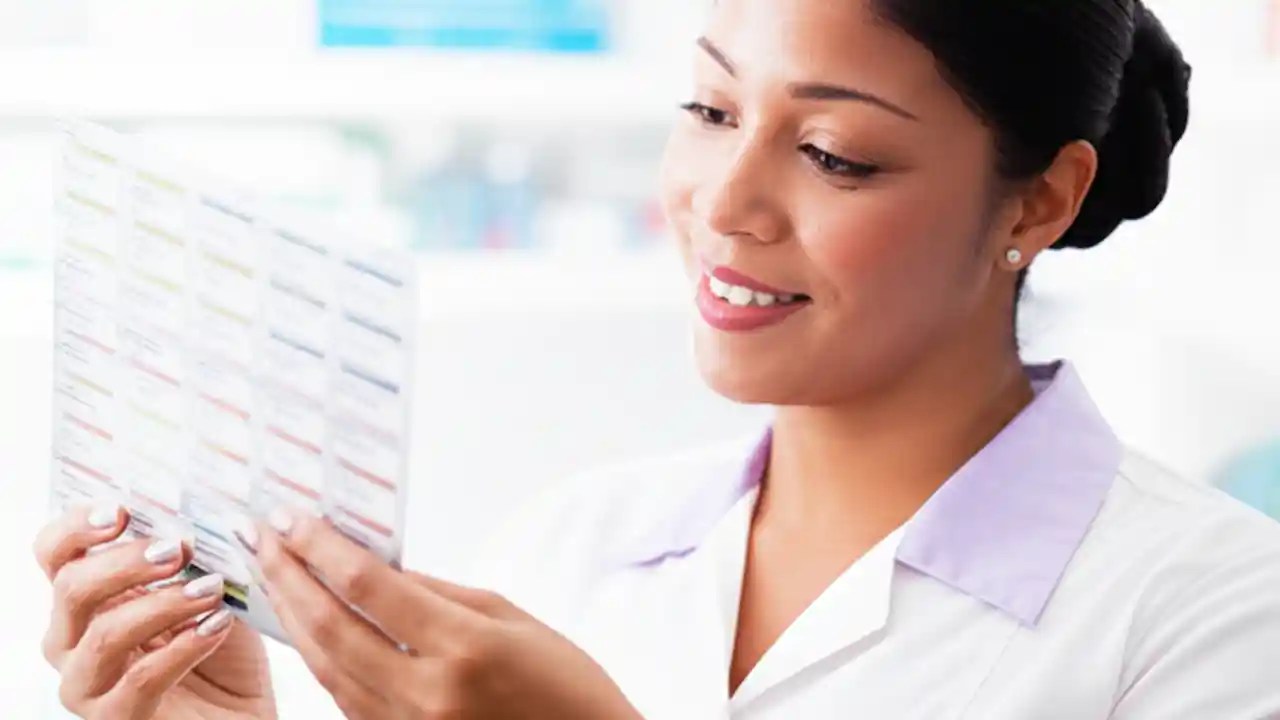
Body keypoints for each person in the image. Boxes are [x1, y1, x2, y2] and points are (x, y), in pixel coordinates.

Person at [33, 0, 1280, 717]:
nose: (722, 201)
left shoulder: (1219, 618)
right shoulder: (570, 549)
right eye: (710, 111)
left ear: (1034, 205)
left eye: (835, 153)